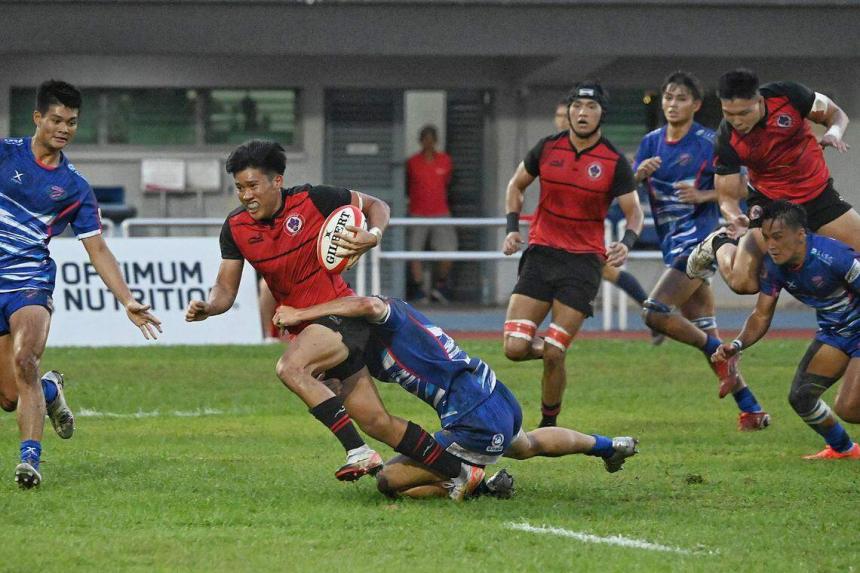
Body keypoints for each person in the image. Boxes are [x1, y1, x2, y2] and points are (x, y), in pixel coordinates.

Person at [184, 140, 478, 493]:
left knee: (290, 368)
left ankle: (358, 452)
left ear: (277, 181)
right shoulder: (235, 228)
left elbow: (376, 205)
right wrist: (209, 306)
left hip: (341, 316)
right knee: (377, 422)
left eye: (252, 185)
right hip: (307, 330)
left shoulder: (313, 199)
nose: (246, 195)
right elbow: (225, 290)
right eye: (239, 188)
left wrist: (373, 235)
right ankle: (467, 476)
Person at [273, 295, 639, 500]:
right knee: (527, 444)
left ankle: (475, 482)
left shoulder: (387, 316)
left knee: (389, 480)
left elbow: (367, 304)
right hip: (493, 392)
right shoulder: (369, 346)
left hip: (471, 414)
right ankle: (610, 445)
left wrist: (303, 313)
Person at [1, 80, 163, 489]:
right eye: (56, 119)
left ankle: (29, 461)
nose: (64, 128)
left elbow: (98, 249)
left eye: (72, 122)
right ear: (38, 118)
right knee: (8, 396)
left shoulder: (74, 187)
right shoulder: (5, 154)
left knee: (25, 361)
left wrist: (127, 299)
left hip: (30, 282)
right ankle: (50, 392)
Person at [502, 82, 644, 428]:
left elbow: (634, 213)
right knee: (514, 348)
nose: (582, 113)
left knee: (553, 352)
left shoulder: (612, 161)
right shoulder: (547, 148)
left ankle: (548, 424)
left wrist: (626, 241)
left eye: (590, 107)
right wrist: (511, 227)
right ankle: (555, 348)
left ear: (602, 115)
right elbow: (516, 185)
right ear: (568, 111)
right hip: (541, 255)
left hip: (582, 265)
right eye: (577, 106)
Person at [637, 71, 769, 431]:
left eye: (680, 98)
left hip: (701, 241)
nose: (672, 104)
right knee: (704, 337)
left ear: (696, 104)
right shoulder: (650, 142)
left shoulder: (711, 140)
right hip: (671, 241)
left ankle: (728, 361)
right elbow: (624, 187)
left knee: (655, 311)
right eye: (667, 97)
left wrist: (704, 195)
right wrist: (637, 175)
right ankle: (751, 409)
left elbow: (740, 187)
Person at [686, 68, 858, 294]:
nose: (737, 121)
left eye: (744, 113)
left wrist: (834, 133)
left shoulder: (789, 96)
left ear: (759, 100)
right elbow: (726, 196)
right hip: (769, 206)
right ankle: (716, 243)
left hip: (818, 196)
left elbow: (836, 114)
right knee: (743, 284)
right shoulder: (726, 139)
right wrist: (734, 216)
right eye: (729, 113)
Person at [712, 201, 860, 459]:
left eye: (778, 237)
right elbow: (761, 315)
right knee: (802, 397)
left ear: (801, 234)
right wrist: (735, 345)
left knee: (848, 409)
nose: (771, 245)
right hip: (835, 334)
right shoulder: (775, 267)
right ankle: (844, 449)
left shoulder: (836, 256)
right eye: (767, 238)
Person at [552, 100, 662, 345]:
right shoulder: (552, 150)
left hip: (584, 230)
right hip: (558, 231)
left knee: (604, 272)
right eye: (558, 115)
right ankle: (653, 315)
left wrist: (636, 176)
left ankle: (654, 315)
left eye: (564, 115)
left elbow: (612, 183)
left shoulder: (590, 149)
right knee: (599, 273)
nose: (561, 119)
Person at [405, 125, 457, 304]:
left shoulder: (445, 161)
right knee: (414, 252)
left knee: (449, 251)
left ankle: (439, 287)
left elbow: (449, 184)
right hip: (417, 212)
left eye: (431, 138)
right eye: (425, 138)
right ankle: (420, 289)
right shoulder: (412, 163)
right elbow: (406, 186)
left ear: (435, 140)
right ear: (421, 140)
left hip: (440, 211)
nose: (428, 142)